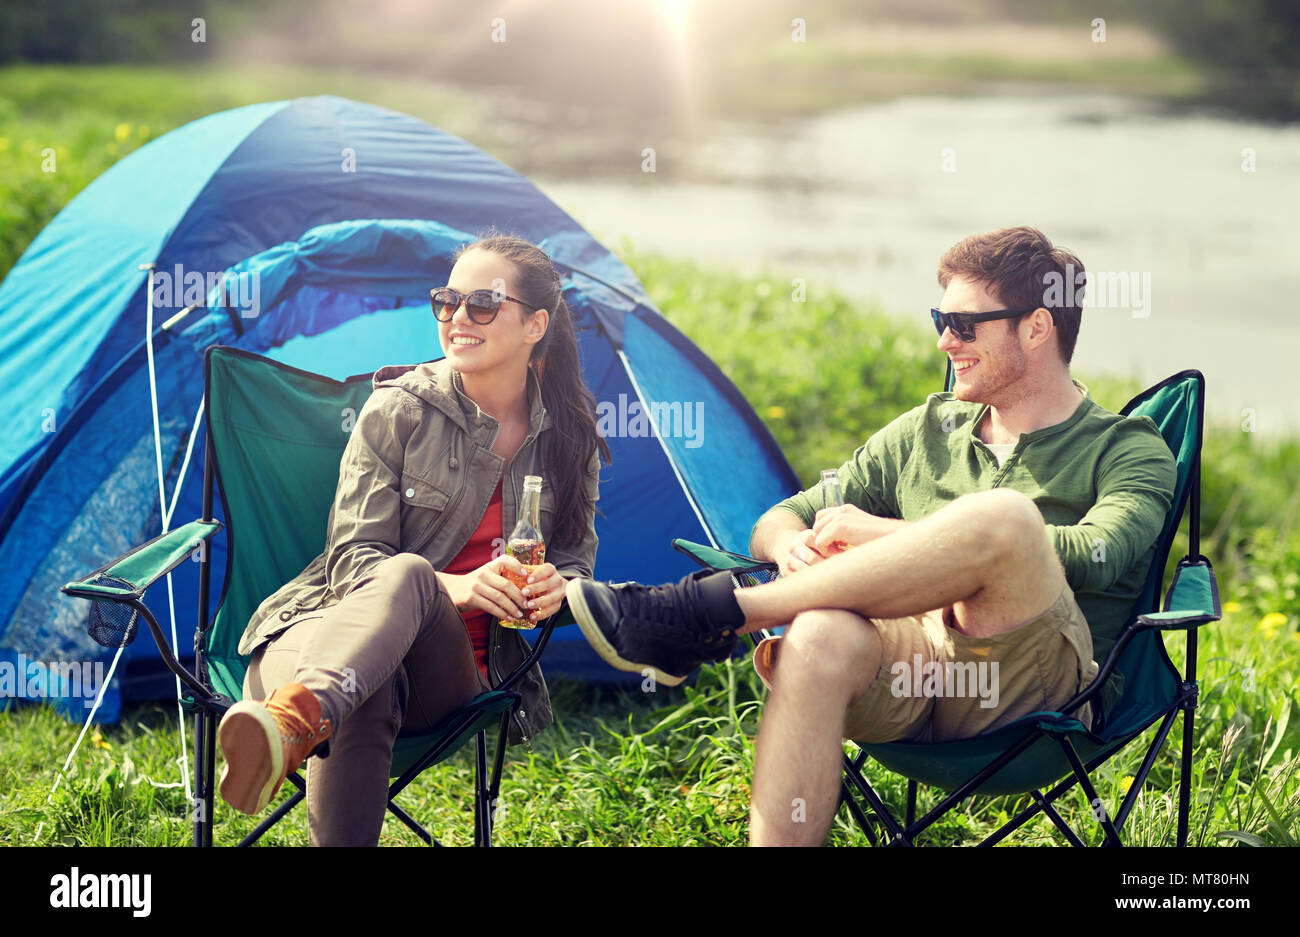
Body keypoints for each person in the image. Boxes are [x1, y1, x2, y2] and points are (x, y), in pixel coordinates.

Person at [566, 226, 1176, 846]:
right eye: (942, 318)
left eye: (965, 324)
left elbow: (1099, 557)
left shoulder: (1126, 449)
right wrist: (788, 547)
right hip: (912, 676)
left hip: (1030, 693)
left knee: (1007, 518)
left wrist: (883, 533)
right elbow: (776, 518)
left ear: (1037, 327)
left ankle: (714, 612)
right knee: (821, 633)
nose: (945, 340)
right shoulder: (925, 431)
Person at [217, 235, 608, 845]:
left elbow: (576, 568)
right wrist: (455, 586)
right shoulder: (399, 410)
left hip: (448, 677)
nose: (457, 318)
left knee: (407, 584)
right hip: (316, 641)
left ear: (536, 324)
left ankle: (295, 725)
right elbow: (352, 561)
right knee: (389, 620)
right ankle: (295, 716)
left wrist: (563, 589)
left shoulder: (571, 438)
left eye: (482, 303)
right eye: (446, 301)